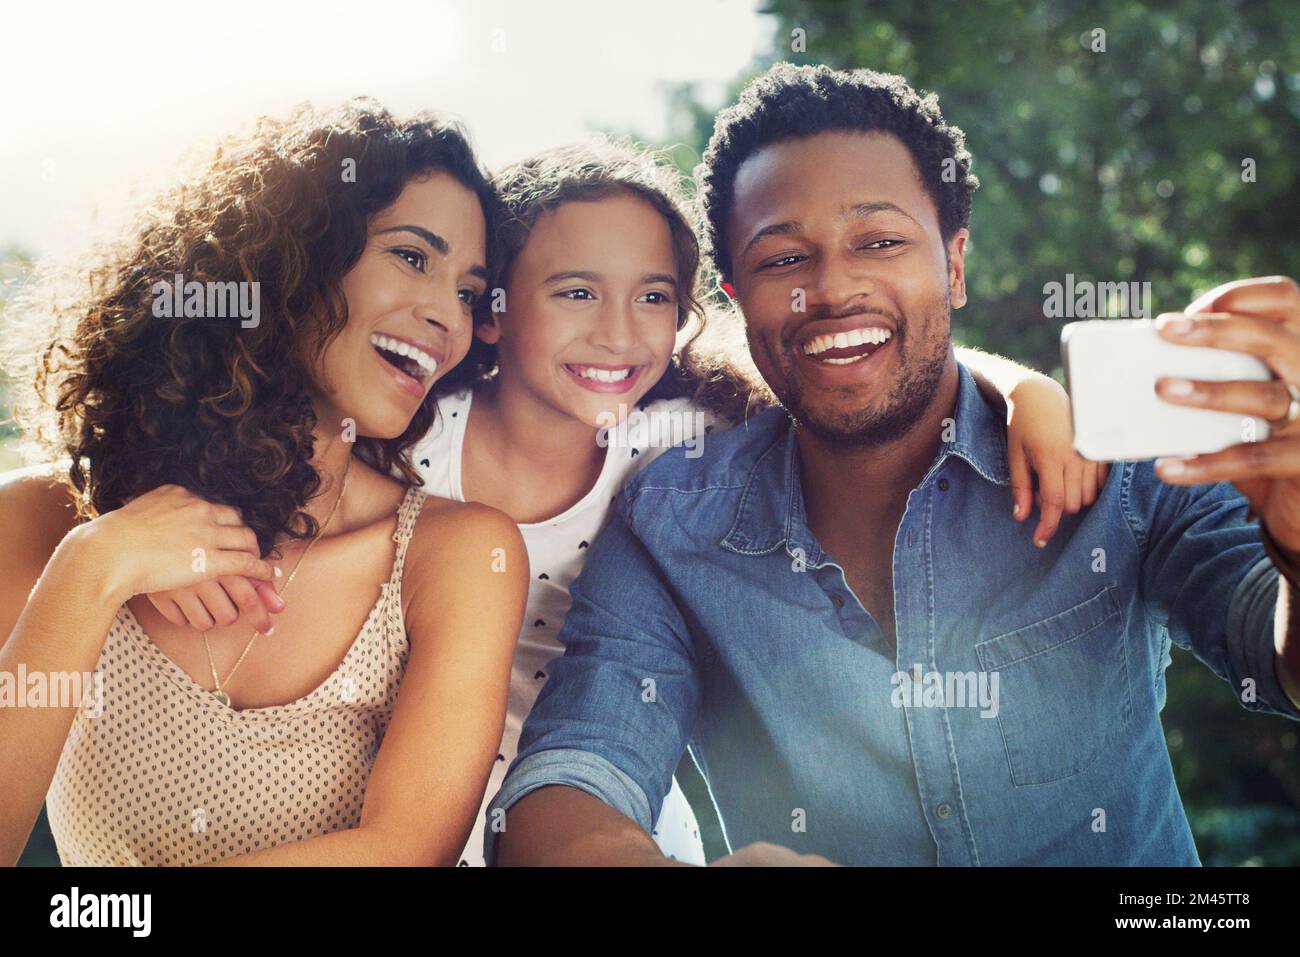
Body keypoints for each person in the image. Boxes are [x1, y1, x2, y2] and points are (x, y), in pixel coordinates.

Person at [124, 136, 1102, 866]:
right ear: (494, 313)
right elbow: (243, 409)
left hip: (594, 825)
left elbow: (865, 368)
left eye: (653, 298)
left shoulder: (691, 445)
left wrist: (1026, 392)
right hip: (387, 817)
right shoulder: (410, 432)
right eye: (576, 293)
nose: (618, 333)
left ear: (684, 318)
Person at [485, 63, 1300, 866]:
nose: (833, 289)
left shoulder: (1115, 465)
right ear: (734, 294)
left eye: (879, 241)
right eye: (782, 260)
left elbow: (1276, 662)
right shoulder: (669, 523)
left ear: (953, 264)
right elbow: (570, 779)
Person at [0, 100, 528, 866]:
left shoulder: (457, 555)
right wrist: (93, 567)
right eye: (413, 257)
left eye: (469, 292)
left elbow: (404, 852)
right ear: (290, 256)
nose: (446, 314)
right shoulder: (45, 523)